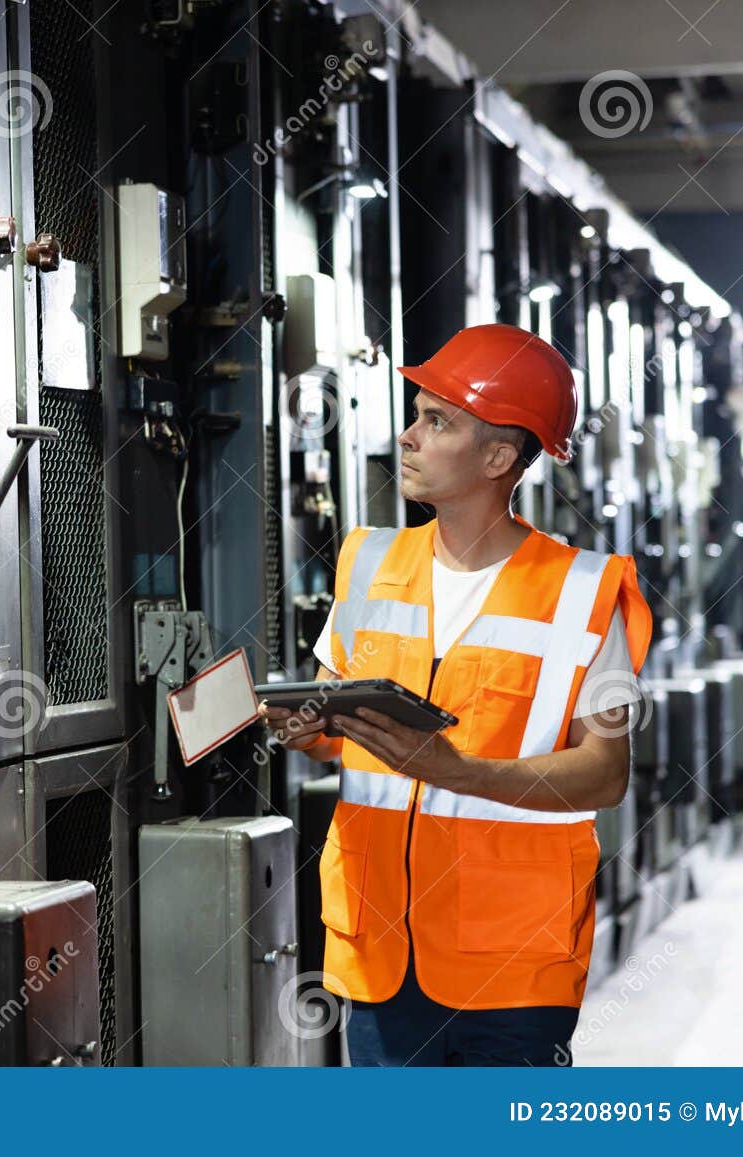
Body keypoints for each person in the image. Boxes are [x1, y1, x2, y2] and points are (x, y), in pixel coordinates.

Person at [259, 323, 652, 1067]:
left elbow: (606, 772)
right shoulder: (368, 564)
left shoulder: (584, 592)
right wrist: (300, 722)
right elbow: (342, 727)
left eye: (436, 421)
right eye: (415, 414)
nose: (408, 437)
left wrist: (460, 771)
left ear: (499, 456)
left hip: (513, 964)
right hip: (378, 951)